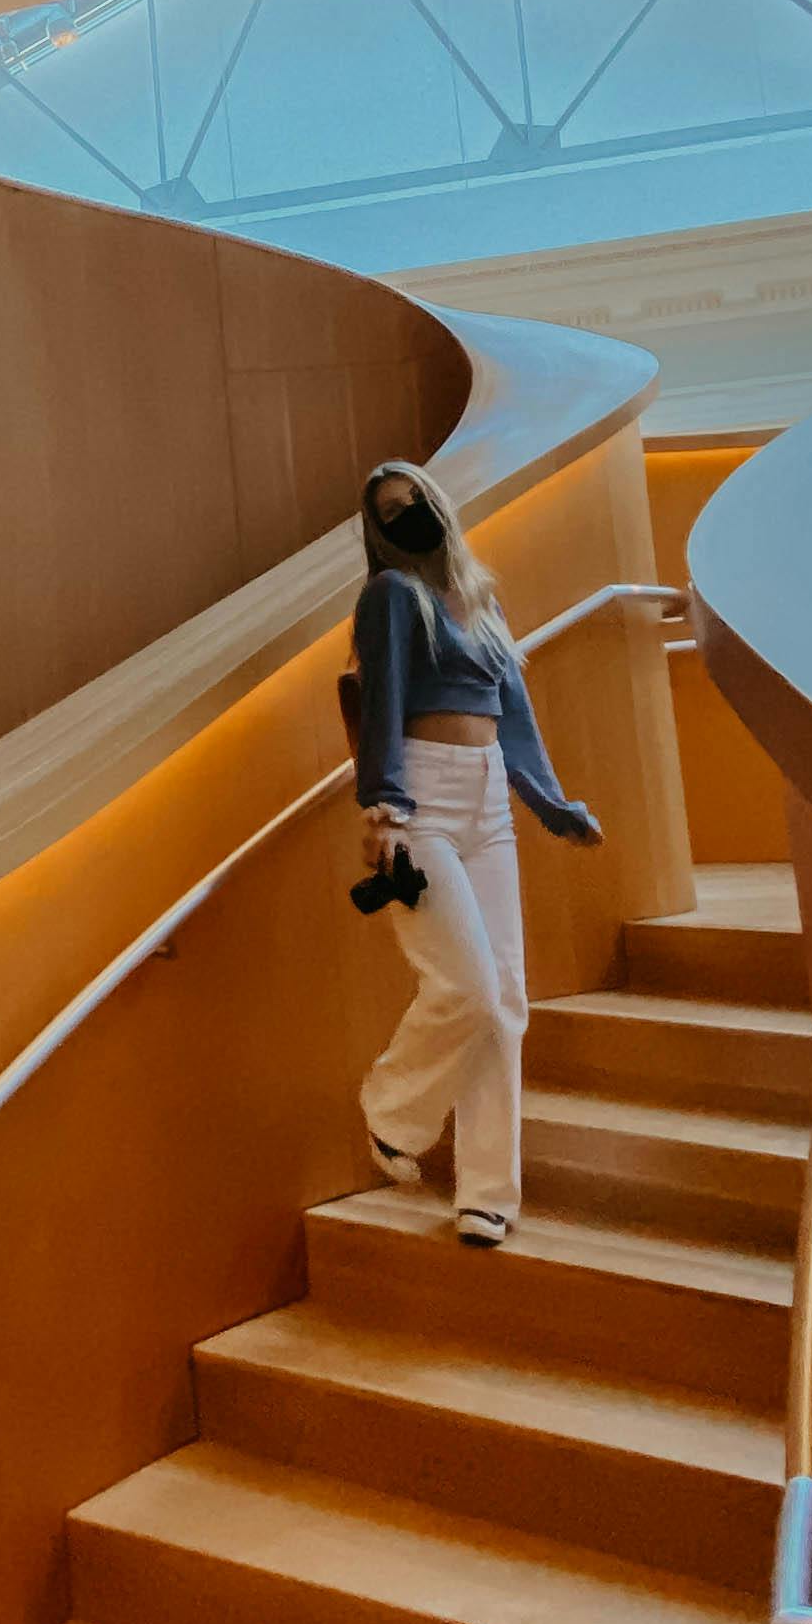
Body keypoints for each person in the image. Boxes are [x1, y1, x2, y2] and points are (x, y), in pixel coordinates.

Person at [350, 459, 601, 1249]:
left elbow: (513, 717)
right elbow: (381, 699)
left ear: (438, 503)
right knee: (467, 986)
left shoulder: (483, 601)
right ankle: (393, 1111)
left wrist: (553, 806)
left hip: (489, 800)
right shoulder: (393, 596)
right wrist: (384, 805)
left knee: (506, 999)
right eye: (390, 512)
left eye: (414, 501)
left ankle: (488, 1196)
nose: (407, 517)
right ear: (377, 533)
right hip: (420, 798)